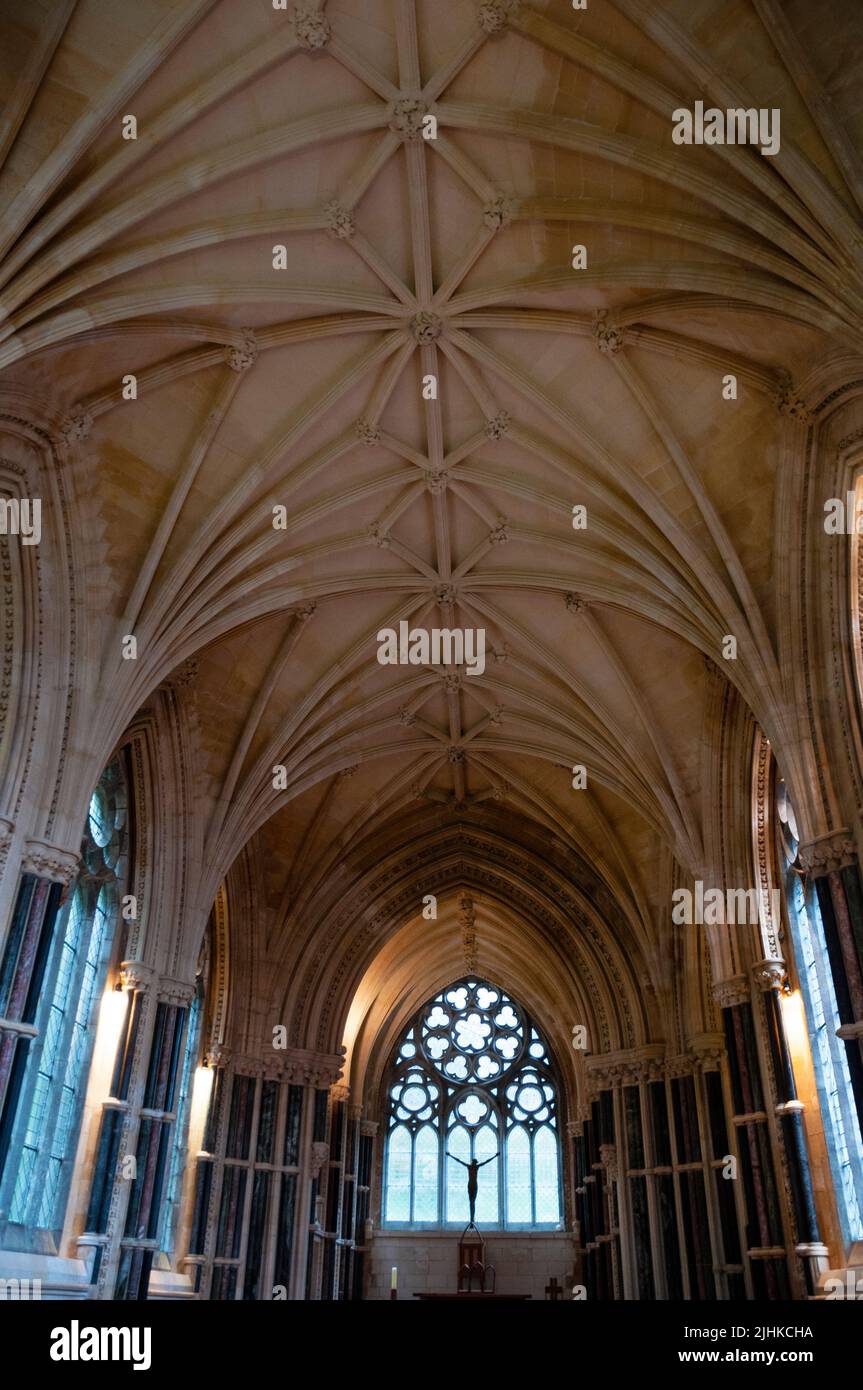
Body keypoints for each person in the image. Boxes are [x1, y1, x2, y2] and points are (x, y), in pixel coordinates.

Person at [447, 1148, 498, 1225]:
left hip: (473, 1186)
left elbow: (486, 1162)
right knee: (471, 1202)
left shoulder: (474, 1167)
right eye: (474, 1163)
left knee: (472, 1202)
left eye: (475, 1163)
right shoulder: (470, 1167)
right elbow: (459, 1161)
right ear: (473, 1163)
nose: (474, 1164)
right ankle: (471, 1219)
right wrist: (450, 1155)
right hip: (471, 1186)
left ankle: (472, 1219)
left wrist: (495, 1156)